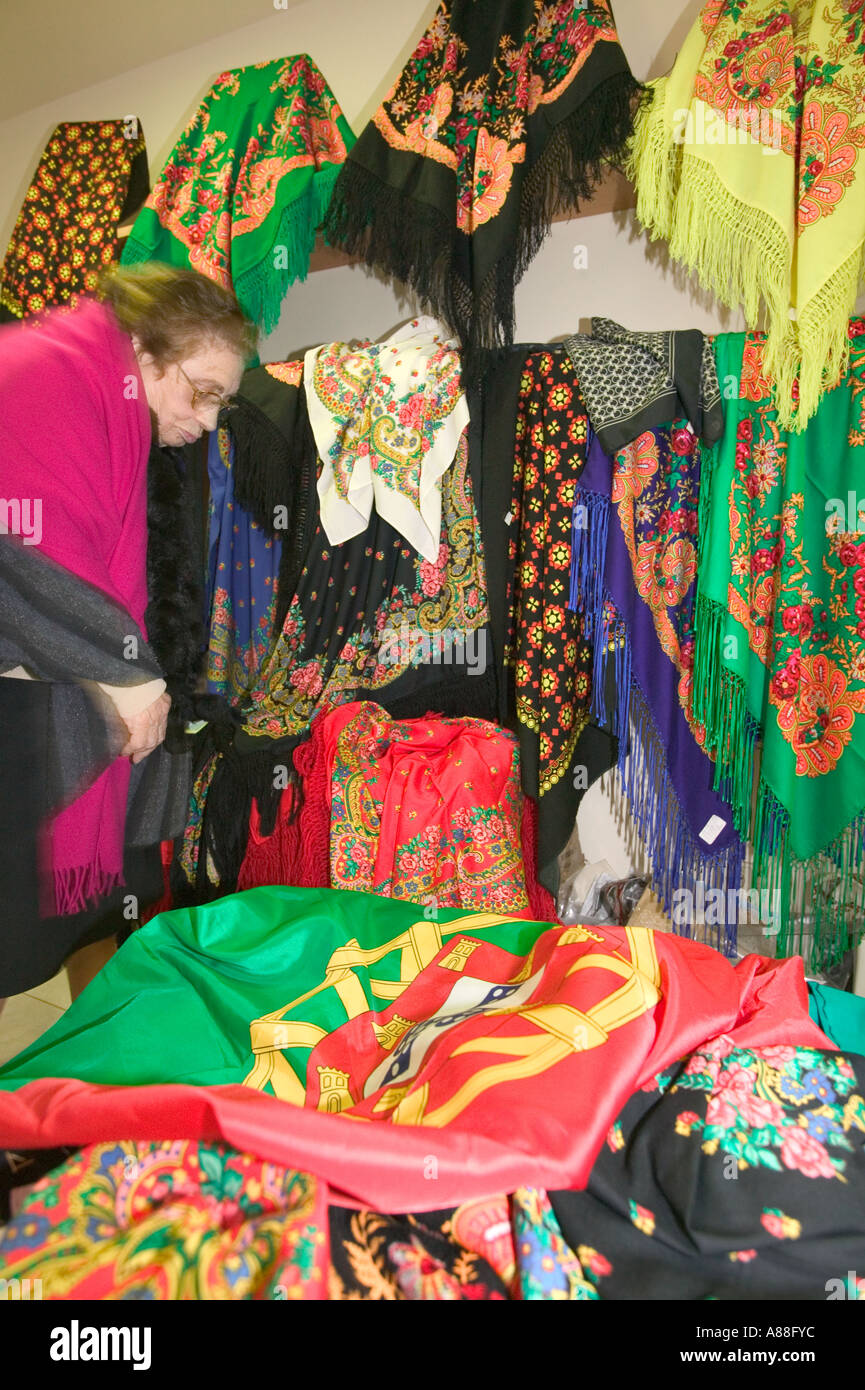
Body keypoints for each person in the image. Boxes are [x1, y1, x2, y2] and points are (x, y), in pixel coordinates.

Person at [0, 264, 256, 1003]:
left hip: (51, 702)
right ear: (142, 353)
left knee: (104, 910)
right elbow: (25, 549)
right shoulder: (44, 377)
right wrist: (131, 675)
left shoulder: (109, 406)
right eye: (202, 391)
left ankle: (101, 1094)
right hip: (25, 712)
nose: (208, 420)